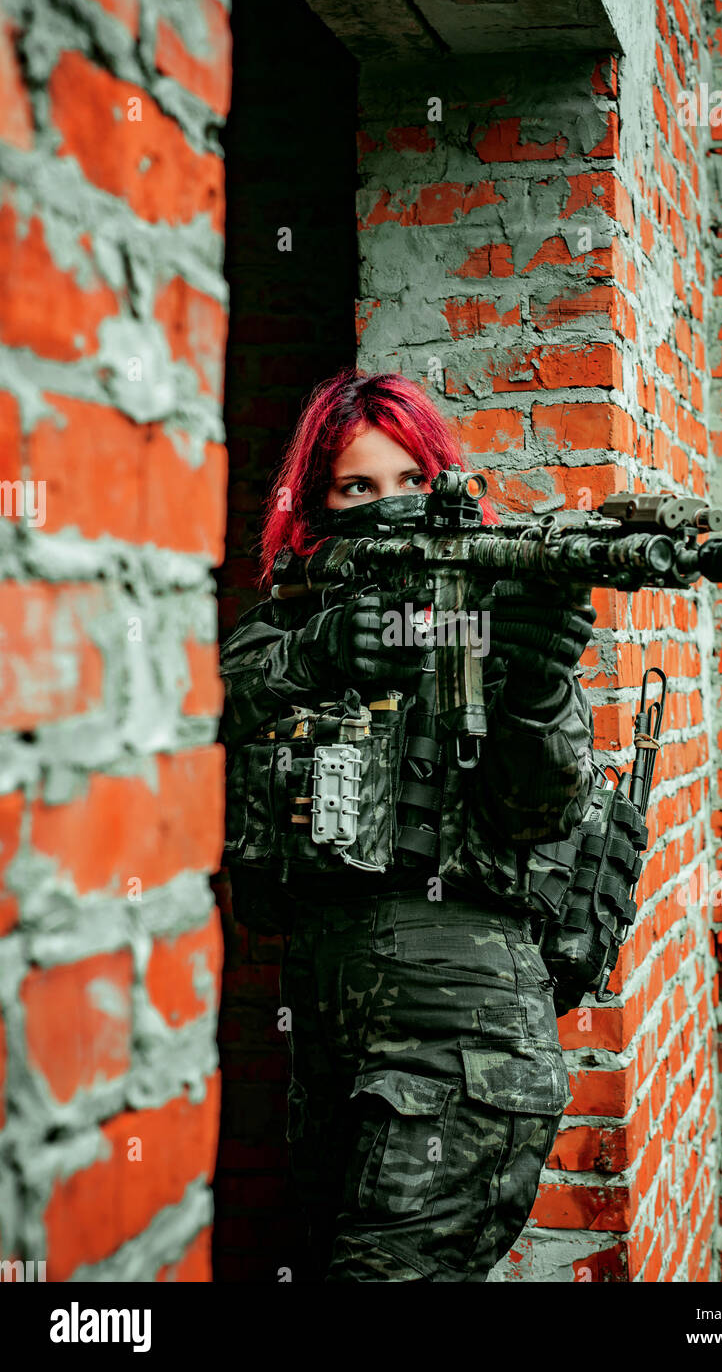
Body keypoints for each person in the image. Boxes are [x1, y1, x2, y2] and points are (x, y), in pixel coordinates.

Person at [218, 366, 597, 1282]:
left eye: (411, 482)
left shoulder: (490, 617)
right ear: (314, 506)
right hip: (333, 1052)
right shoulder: (284, 629)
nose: (388, 507)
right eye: (357, 486)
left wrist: (537, 686)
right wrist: (315, 654)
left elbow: (538, 808)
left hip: (463, 1048)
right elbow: (195, 719)